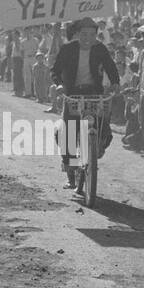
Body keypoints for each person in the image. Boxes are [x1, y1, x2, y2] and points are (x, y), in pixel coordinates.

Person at [49, 18, 119, 197]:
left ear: (96, 36)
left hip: (94, 93)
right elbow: (55, 70)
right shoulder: (67, 49)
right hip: (72, 93)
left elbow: (111, 67)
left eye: (92, 35)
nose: (88, 38)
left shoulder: (100, 48)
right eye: (84, 34)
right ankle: (71, 173)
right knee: (67, 132)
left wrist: (116, 83)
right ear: (78, 35)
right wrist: (59, 84)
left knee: (103, 126)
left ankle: (96, 149)